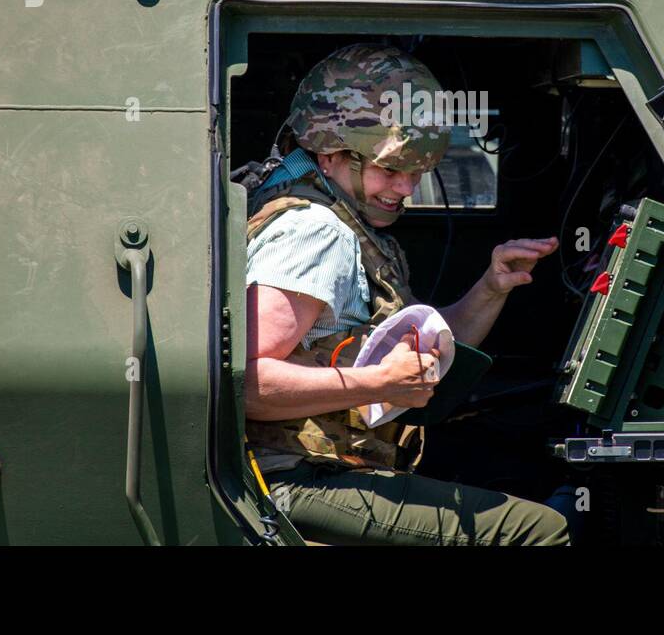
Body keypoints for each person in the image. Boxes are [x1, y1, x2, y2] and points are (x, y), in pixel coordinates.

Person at [242, 43, 568, 545]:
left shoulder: (351, 225)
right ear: (330, 154)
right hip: (292, 479)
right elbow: (248, 383)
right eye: (390, 169)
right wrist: (377, 384)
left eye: (417, 169)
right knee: (537, 532)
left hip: (324, 469)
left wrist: (491, 286)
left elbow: (425, 345)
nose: (407, 186)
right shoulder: (316, 231)